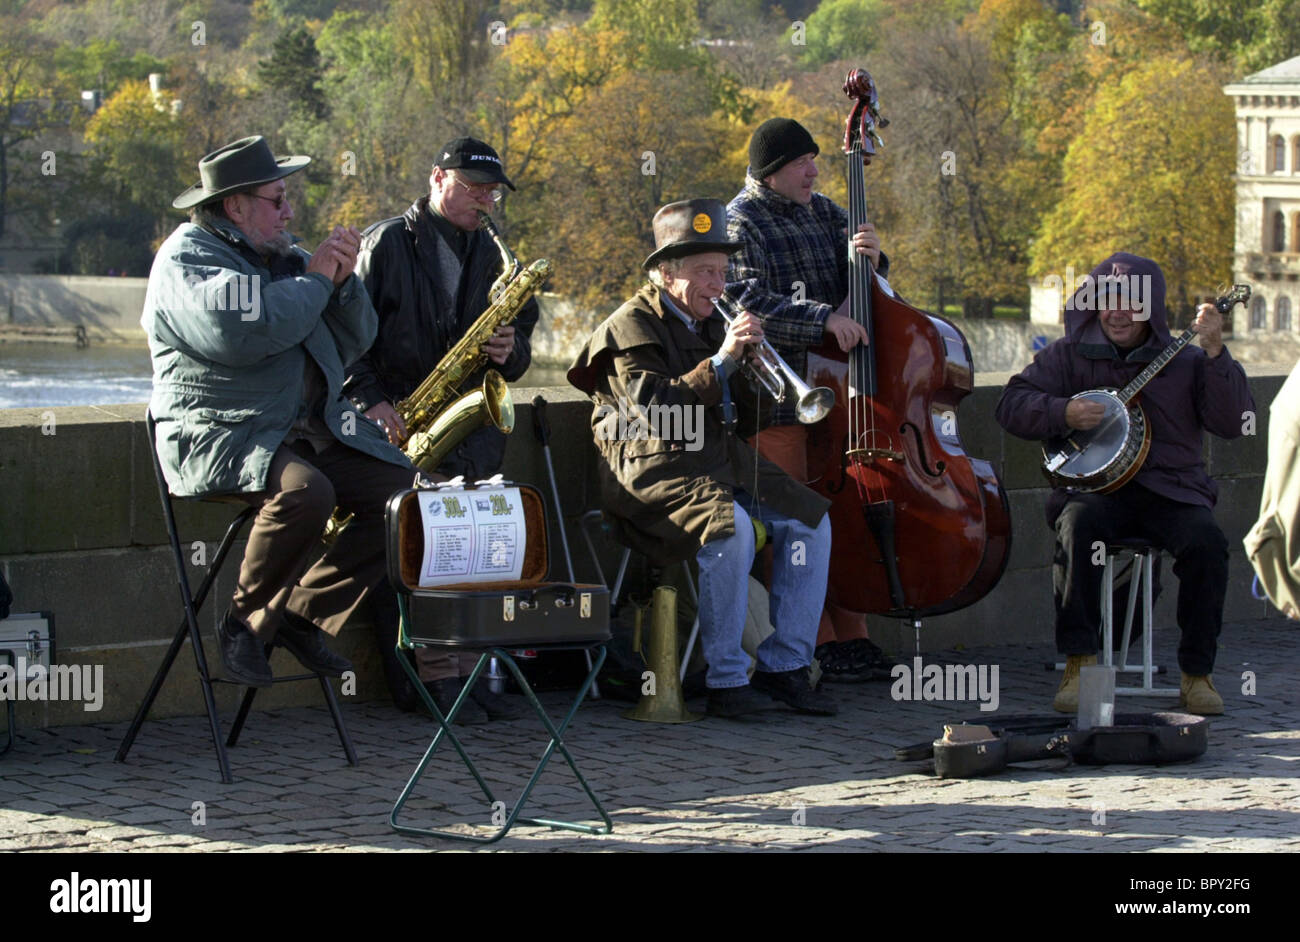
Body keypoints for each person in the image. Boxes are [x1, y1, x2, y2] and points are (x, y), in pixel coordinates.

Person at [143, 135, 416, 689]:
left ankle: (300, 616)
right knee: (306, 492)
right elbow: (244, 329)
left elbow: (355, 341)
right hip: (222, 431)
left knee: (412, 500)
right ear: (235, 205)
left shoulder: (282, 257)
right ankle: (244, 624)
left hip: (300, 432)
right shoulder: (187, 257)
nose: (290, 211)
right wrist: (316, 280)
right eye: (278, 199)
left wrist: (341, 284)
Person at [568, 198, 836, 719]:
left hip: (717, 463)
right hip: (649, 472)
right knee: (731, 529)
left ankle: (785, 667)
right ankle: (727, 679)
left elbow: (747, 421)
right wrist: (723, 363)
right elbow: (660, 417)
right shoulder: (628, 328)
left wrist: (756, 371)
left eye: (722, 271)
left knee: (811, 524)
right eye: (704, 272)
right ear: (667, 274)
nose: (719, 285)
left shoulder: (713, 321)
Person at [995, 252, 1255, 715]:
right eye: (1107, 299)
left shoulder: (1189, 361)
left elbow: (1235, 422)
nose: (1117, 311)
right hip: (1097, 493)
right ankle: (1080, 661)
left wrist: (1216, 353)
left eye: (1131, 302)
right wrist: (1063, 413)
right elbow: (1011, 404)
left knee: (1207, 543)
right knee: (1077, 527)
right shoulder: (1069, 354)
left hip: (1173, 492)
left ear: (1151, 308)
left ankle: (1197, 674)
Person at [344, 137, 538, 722]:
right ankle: (426, 678)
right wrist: (372, 400)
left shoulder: (497, 257)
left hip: (471, 428)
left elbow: (522, 342)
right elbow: (344, 340)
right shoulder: (384, 244)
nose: (485, 202)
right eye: (473, 188)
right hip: (402, 419)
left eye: (491, 193)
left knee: (477, 552)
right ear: (436, 178)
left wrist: (512, 350)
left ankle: (472, 673)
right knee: (420, 552)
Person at [725, 116, 893, 681]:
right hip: (778, 401)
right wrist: (825, 320)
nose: (815, 171)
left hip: (843, 398)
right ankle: (811, 642)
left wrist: (874, 261)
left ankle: (854, 633)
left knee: (841, 517)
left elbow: (873, 298)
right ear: (772, 172)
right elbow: (746, 301)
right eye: (802, 163)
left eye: (817, 160)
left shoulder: (827, 212)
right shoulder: (738, 220)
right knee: (791, 520)